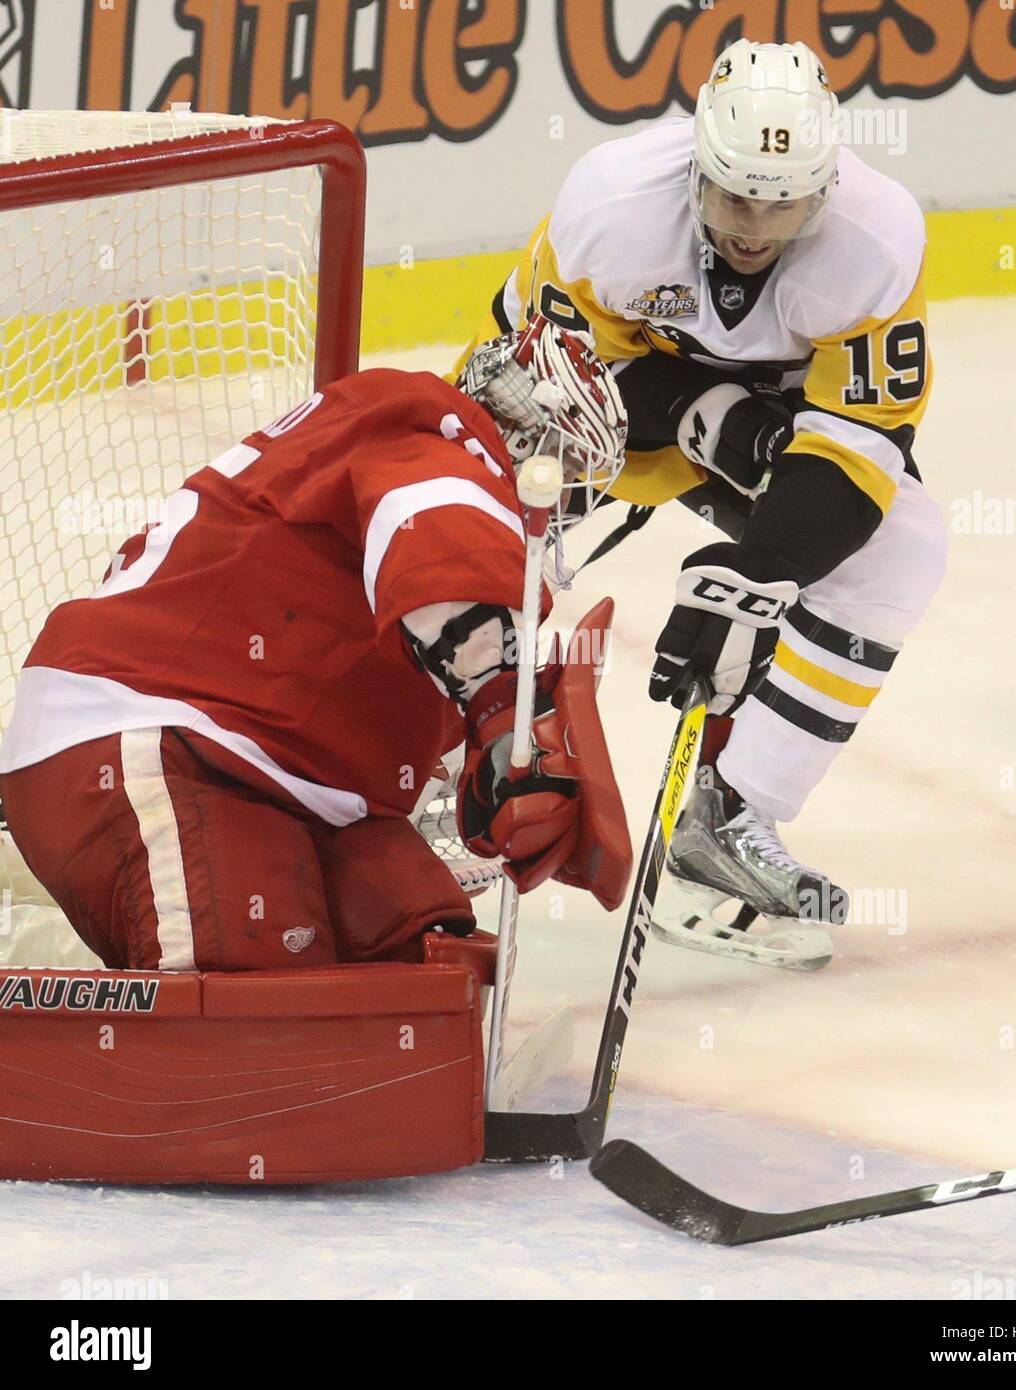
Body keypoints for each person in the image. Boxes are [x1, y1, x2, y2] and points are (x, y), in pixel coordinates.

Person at [457, 38, 948, 956]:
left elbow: (860, 444)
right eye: (733, 199)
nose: (755, 228)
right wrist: (704, 416)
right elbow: (556, 381)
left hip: (767, 431)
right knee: (461, 545)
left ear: (828, 187)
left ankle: (727, 819)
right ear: (696, 169)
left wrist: (758, 572)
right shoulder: (610, 206)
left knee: (905, 545)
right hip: (583, 407)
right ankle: (396, 778)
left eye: (786, 204)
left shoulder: (875, 241)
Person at [0, 317, 631, 972]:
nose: (571, 500)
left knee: (419, 951)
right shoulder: (427, 436)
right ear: (523, 435)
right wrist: (503, 710)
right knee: (253, 980)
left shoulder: (411, 513)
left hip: (263, 769)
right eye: (570, 469)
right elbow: (439, 542)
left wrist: (497, 770)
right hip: (148, 736)